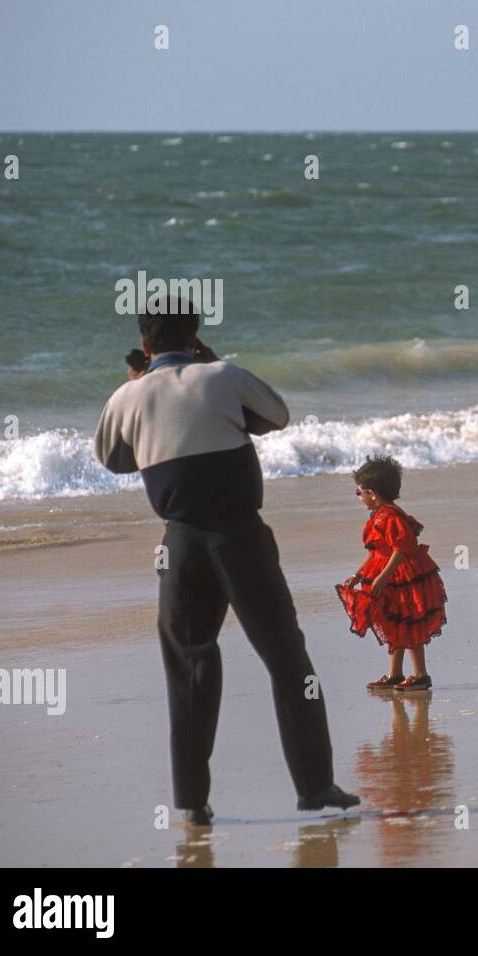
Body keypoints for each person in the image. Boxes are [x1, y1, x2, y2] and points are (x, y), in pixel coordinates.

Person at [93, 295, 357, 825]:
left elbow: (113, 459)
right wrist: (211, 366)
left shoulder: (127, 395)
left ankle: (191, 803)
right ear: (196, 337)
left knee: (190, 668)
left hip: (180, 544)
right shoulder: (223, 374)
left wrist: (138, 389)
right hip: (241, 537)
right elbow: (277, 416)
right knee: (286, 659)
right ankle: (315, 785)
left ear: (145, 345)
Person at [337, 455, 447, 691]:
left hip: (404, 577)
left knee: (410, 624)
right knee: (392, 624)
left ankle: (420, 676)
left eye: (359, 492)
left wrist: (384, 576)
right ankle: (395, 674)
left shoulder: (392, 517)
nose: (358, 496)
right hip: (389, 575)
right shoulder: (379, 515)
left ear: (373, 494)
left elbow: (401, 549)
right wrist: (358, 575)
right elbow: (374, 552)